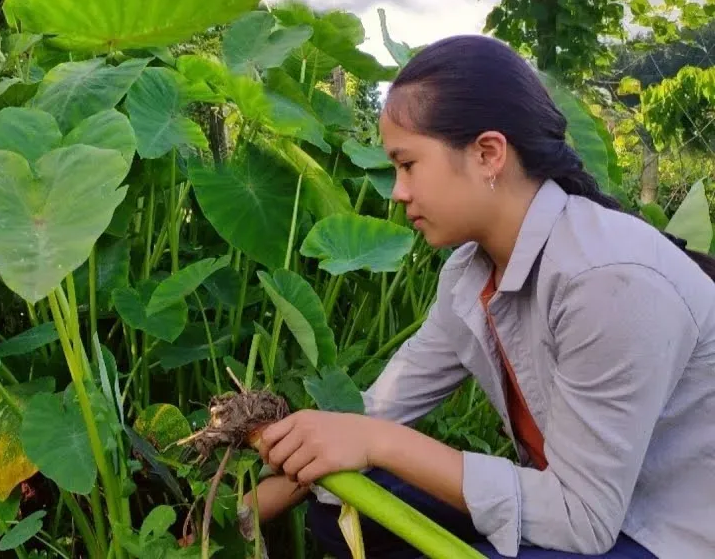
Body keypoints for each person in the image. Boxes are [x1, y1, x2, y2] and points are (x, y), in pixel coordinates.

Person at [243, 35, 714, 558]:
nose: (398, 191)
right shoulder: (471, 274)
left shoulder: (606, 279)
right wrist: (233, 512)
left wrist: (380, 444)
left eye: (408, 164)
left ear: (488, 153)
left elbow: (583, 520)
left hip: (661, 529)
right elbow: (378, 412)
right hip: (579, 501)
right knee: (337, 511)